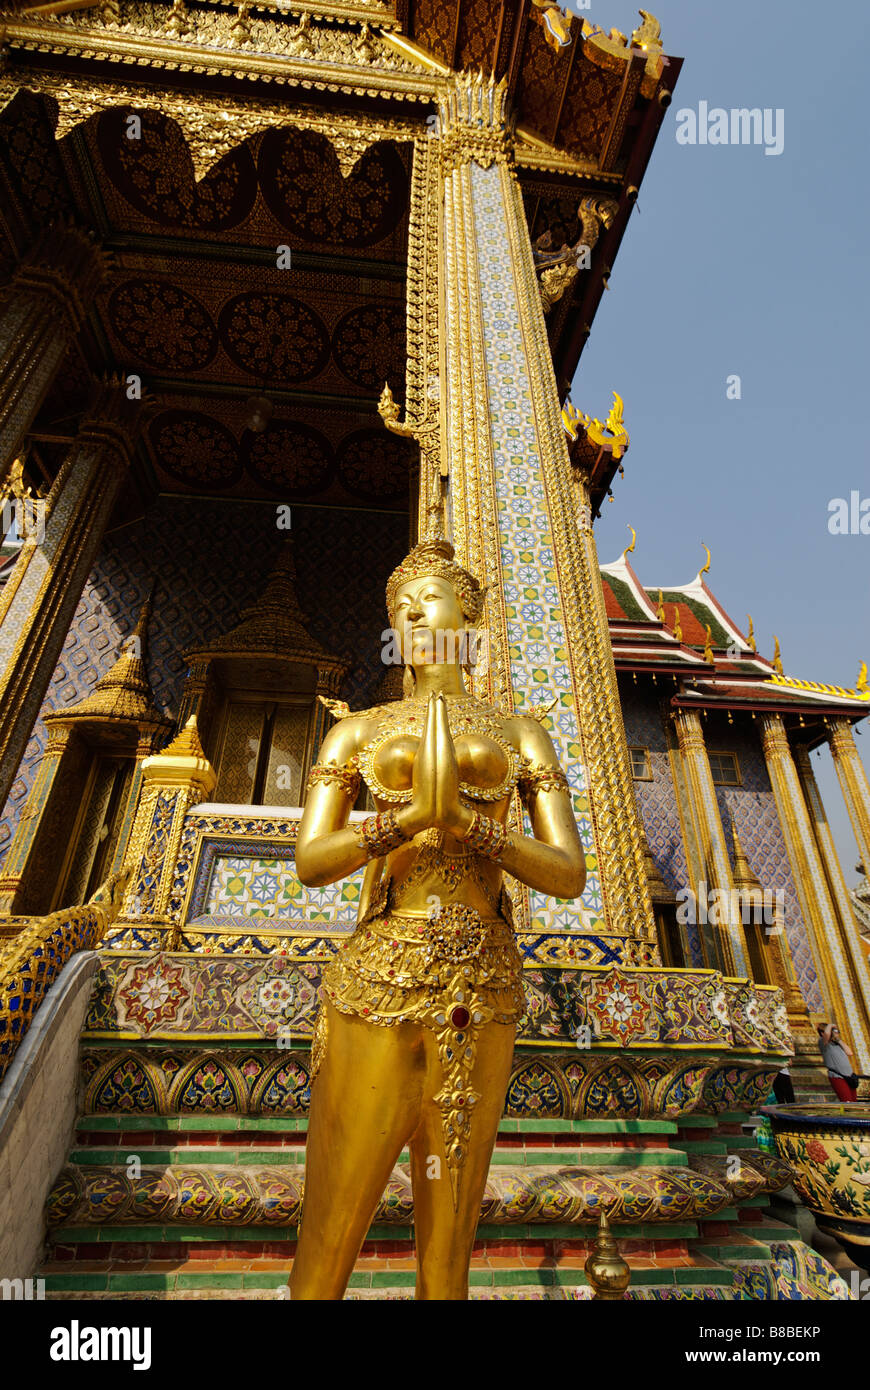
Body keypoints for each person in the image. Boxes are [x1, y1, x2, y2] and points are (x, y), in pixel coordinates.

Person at [286, 539, 586, 1300]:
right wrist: (407, 820)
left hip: (483, 987)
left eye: (430, 598)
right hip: (380, 979)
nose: (414, 613)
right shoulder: (357, 731)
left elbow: (569, 873)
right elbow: (313, 860)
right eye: (400, 605)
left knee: (449, 1250)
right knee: (334, 1226)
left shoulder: (521, 735)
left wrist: (475, 828)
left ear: (471, 613)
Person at [818, 1022, 860, 1101]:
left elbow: (849, 1052)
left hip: (849, 1076)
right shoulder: (823, 1043)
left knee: (854, 1102)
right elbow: (826, 1034)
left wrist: (838, 1039)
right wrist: (830, 1025)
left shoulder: (836, 1043)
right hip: (838, 1076)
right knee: (847, 1101)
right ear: (822, 1033)